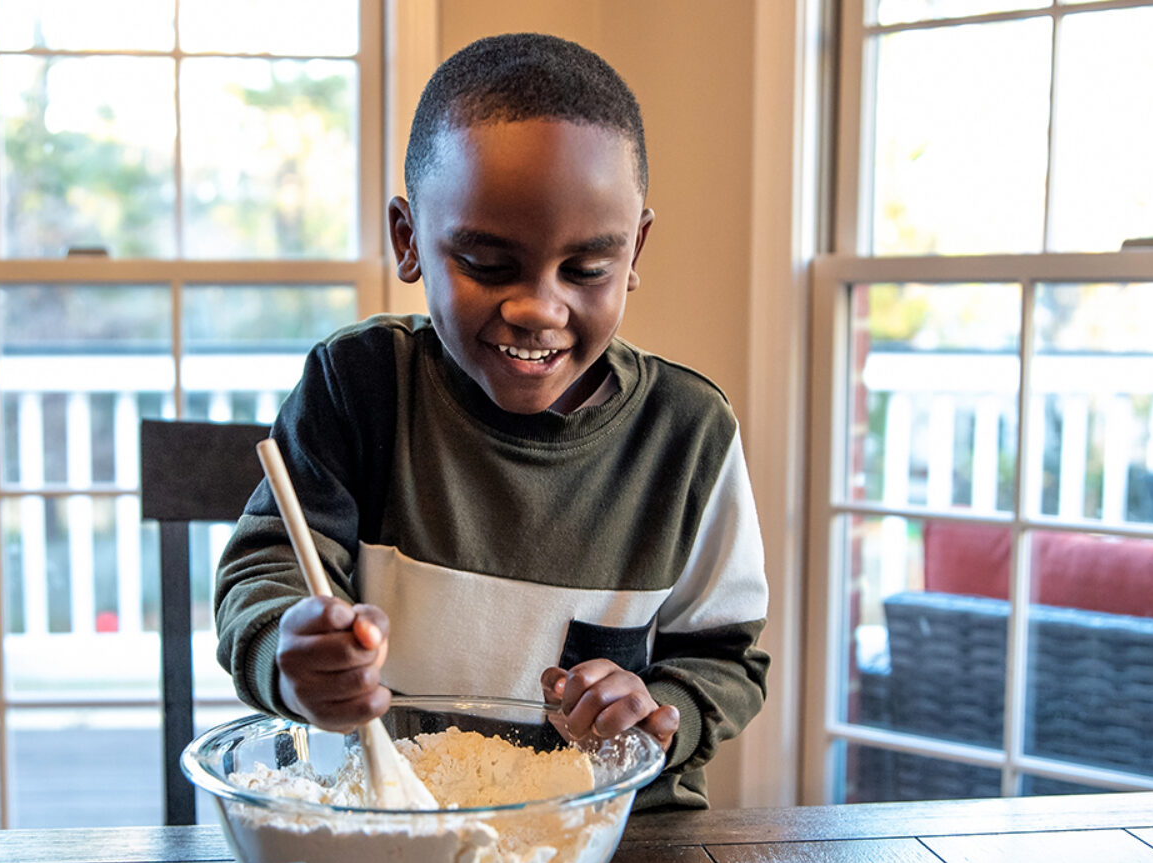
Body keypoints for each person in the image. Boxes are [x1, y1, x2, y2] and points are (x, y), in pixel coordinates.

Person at [214, 32, 769, 809]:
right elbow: (267, 570)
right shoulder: (361, 389)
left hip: (623, 846)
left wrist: (652, 706)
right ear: (408, 241)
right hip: (397, 826)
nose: (539, 308)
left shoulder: (689, 435)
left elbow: (727, 658)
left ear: (635, 248)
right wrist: (289, 653)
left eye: (586, 269)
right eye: (488, 264)